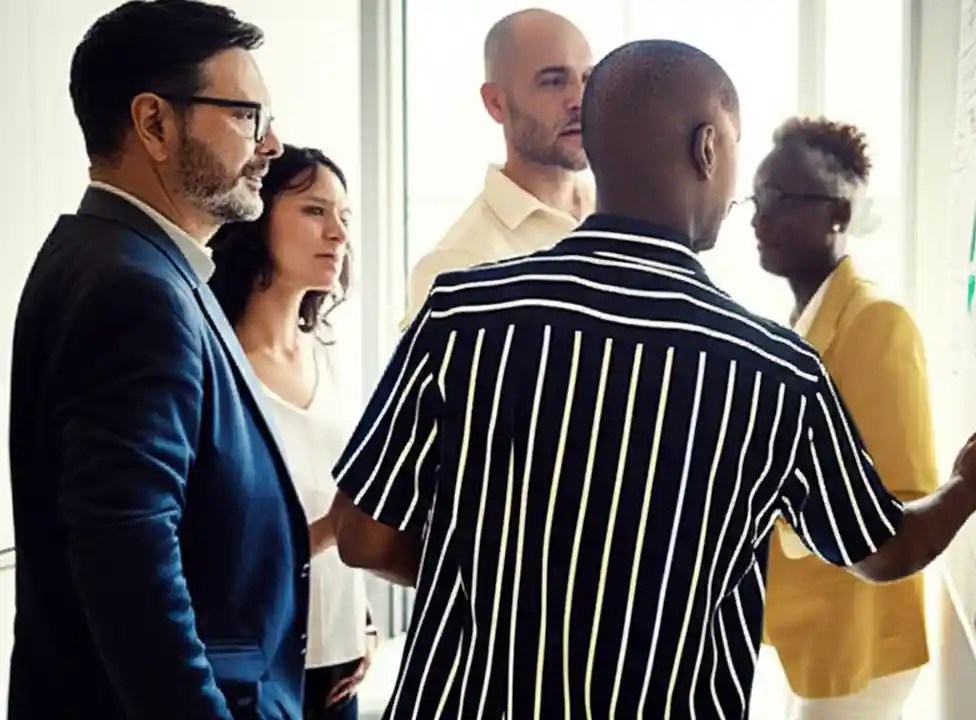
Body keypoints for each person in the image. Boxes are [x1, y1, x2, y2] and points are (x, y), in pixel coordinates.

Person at [327, 39, 976, 719]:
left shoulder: (460, 314)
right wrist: (970, 484)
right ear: (708, 148)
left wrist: (501, 577)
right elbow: (882, 549)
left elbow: (362, 536)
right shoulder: (775, 371)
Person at [6, 2, 309, 718]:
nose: (271, 146)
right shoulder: (134, 289)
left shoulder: (116, 259)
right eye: (247, 117)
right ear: (154, 124)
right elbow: (131, 568)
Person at [748, 118, 938, 719]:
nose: (758, 218)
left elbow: (903, 497)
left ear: (839, 214)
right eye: (756, 199)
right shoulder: (800, 324)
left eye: (779, 199)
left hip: (860, 637)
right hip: (814, 628)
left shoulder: (877, 322)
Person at [208, 144, 377, 720]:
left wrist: (362, 618)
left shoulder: (326, 355)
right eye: (314, 211)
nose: (338, 233)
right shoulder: (220, 363)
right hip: (259, 663)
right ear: (257, 213)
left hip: (339, 661)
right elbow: (220, 545)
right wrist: (334, 529)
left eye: (345, 217)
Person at [400, 7, 594, 328]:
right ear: (496, 103)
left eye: (587, 78)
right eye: (553, 82)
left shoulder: (628, 216)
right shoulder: (456, 268)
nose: (578, 99)